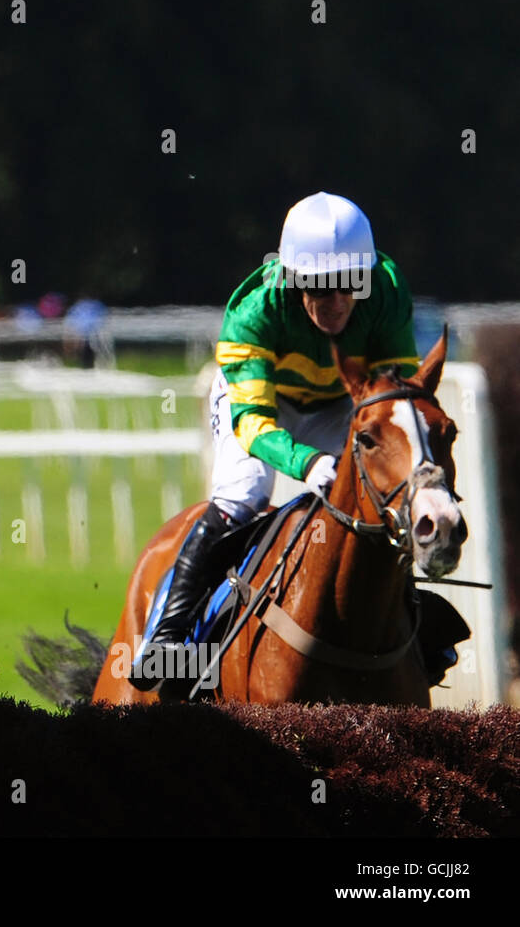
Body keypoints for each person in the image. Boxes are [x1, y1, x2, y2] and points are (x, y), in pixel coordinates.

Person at [131, 191, 464, 689]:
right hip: (263, 404)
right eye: (317, 287)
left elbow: (390, 395)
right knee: (243, 494)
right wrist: (307, 463)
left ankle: (411, 629)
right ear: (292, 280)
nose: (334, 303)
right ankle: (168, 640)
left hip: (344, 401)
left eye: (348, 285)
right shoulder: (254, 313)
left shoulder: (387, 290)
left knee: (380, 499)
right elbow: (254, 424)